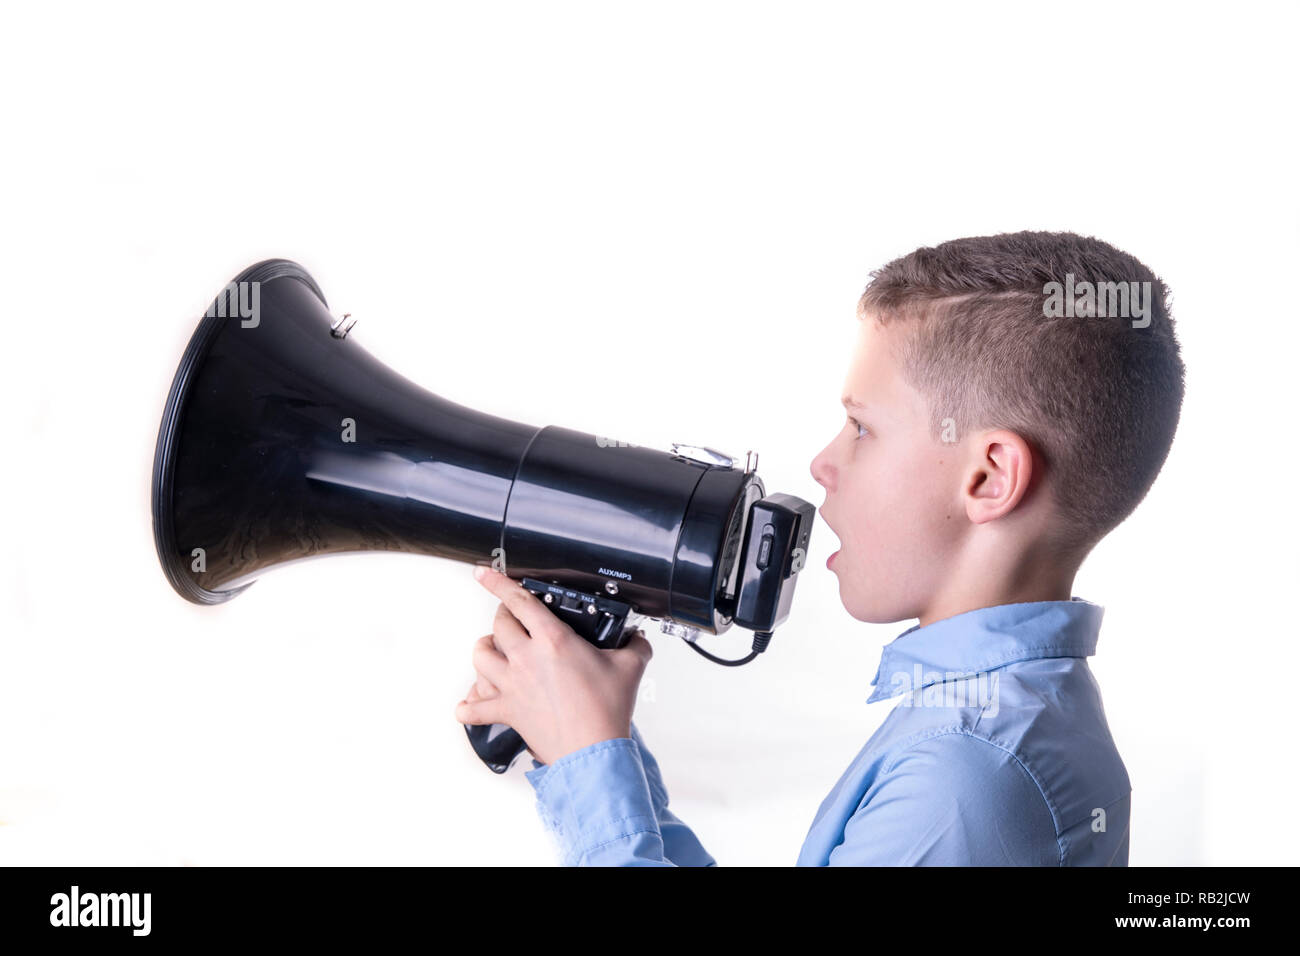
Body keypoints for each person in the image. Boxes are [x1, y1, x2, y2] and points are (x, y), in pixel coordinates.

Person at [453, 230, 1185, 866]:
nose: (822, 464)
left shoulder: (964, 773)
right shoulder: (1006, 726)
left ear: (989, 476)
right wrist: (590, 743)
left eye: (862, 429)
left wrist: (590, 762)